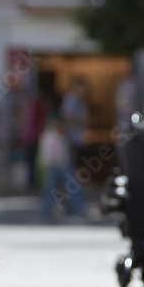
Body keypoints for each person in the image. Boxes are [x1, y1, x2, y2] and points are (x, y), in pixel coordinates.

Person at [59, 77, 88, 215]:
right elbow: (68, 118)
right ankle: (76, 205)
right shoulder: (72, 100)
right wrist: (79, 121)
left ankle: (70, 204)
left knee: (71, 174)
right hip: (71, 141)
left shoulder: (80, 101)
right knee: (72, 174)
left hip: (77, 140)